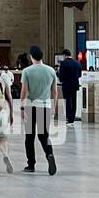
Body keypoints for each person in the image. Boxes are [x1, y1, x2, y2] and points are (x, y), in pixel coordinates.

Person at [20, 44, 58, 175]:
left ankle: (31, 164)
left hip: (31, 106)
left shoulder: (27, 71)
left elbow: (24, 91)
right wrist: (53, 106)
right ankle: (49, 154)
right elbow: (54, 91)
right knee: (44, 135)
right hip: (45, 106)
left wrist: (22, 107)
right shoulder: (51, 71)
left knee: (29, 137)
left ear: (31, 57)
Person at [57, 48, 83, 126]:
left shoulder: (64, 63)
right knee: (74, 101)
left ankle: (69, 118)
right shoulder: (77, 63)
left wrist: (58, 74)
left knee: (68, 101)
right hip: (75, 84)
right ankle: (72, 117)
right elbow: (79, 75)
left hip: (66, 85)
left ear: (64, 55)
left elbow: (62, 76)